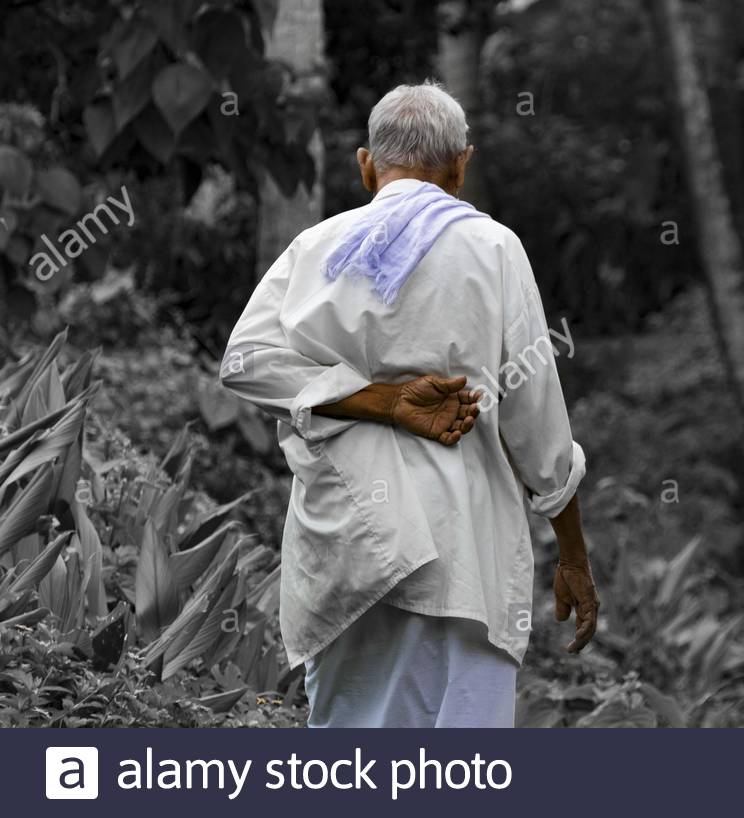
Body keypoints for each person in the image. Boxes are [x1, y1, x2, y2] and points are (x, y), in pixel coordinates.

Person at [220, 81, 598, 728]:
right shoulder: (494, 248)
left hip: (350, 545)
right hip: (466, 550)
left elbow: (245, 363)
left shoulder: (315, 249)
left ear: (366, 164)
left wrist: (377, 400)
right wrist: (573, 556)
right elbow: (536, 423)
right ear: (461, 164)